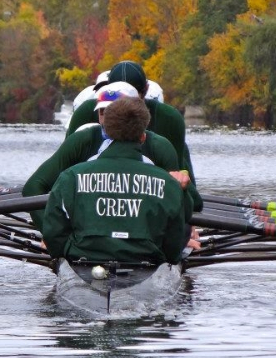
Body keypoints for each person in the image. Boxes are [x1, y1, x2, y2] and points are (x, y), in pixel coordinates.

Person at [24, 81, 194, 232]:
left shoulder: (160, 146)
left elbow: (179, 205)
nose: (109, 119)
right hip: (89, 232)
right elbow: (33, 187)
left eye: (115, 111)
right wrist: (49, 233)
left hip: (142, 233)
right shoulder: (83, 139)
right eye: (103, 111)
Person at [42, 96, 187, 265]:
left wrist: (67, 254)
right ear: (143, 136)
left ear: (106, 131)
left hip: (82, 260)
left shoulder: (71, 177)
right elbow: (174, 246)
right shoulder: (168, 183)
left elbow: (53, 234)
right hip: (147, 261)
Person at [66, 61, 198, 203]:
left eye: (132, 100)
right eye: (116, 102)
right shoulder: (85, 114)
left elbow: (181, 185)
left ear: (145, 91)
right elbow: (60, 177)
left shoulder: (169, 120)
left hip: (150, 196)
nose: (124, 110)